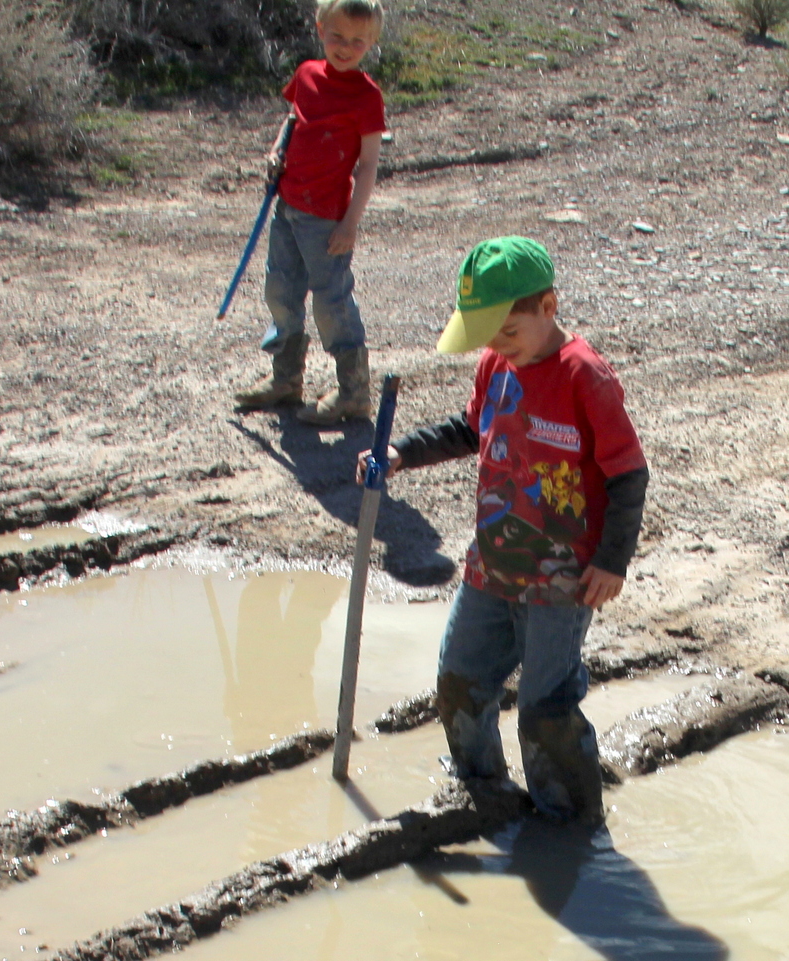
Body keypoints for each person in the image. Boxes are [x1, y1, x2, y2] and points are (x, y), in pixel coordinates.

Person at [357, 237, 648, 824]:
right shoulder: (496, 364)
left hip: (562, 581)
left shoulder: (583, 376)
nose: (497, 346)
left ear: (548, 306)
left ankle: (570, 824)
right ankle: (482, 791)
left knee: (546, 706)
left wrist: (612, 560)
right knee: (459, 680)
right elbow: (471, 430)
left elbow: (628, 473)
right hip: (491, 563)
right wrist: (399, 453)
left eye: (508, 332)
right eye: (486, 336)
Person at [234, 0, 385, 426]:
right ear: (320, 28)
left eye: (358, 40)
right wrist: (276, 150)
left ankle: (354, 393)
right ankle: (286, 381)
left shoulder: (367, 96)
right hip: (288, 207)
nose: (346, 46)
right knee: (280, 291)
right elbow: (293, 119)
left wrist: (351, 223)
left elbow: (369, 164)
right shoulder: (305, 74)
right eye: (338, 35)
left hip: (327, 221)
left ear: (371, 43)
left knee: (331, 303)